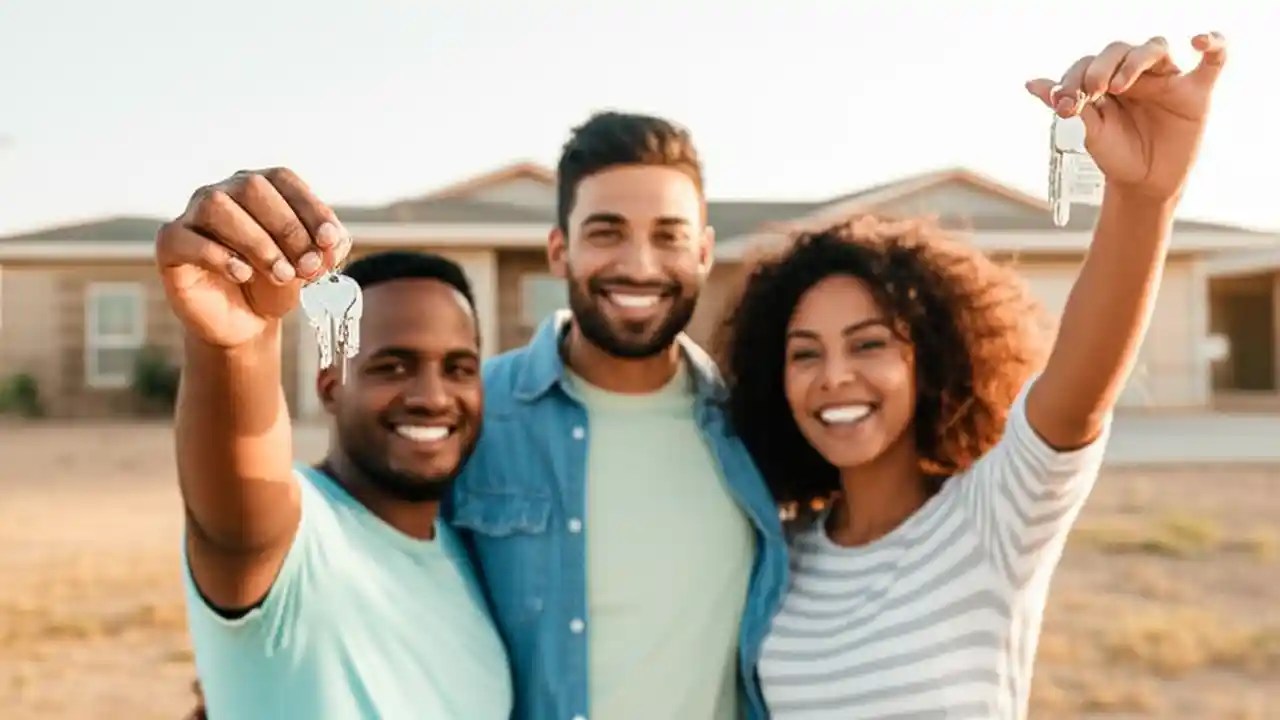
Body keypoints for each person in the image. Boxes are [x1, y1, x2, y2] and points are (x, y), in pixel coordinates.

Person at [717, 32, 1228, 719]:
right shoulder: (781, 554)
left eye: (868, 345)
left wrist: (1145, 199)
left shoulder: (994, 519)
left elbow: (1077, 397)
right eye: (805, 352)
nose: (834, 375)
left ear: (926, 360)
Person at [446, 111, 790, 720]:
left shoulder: (758, 429)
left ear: (704, 252)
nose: (640, 264)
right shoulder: (471, 414)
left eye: (669, 235)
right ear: (560, 250)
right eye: (607, 232)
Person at [156, 171, 512, 720]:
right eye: (393, 366)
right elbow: (240, 508)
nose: (432, 396)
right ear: (331, 384)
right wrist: (237, 346)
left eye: (459, 368)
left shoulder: (472, 556)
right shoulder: (295, 540)